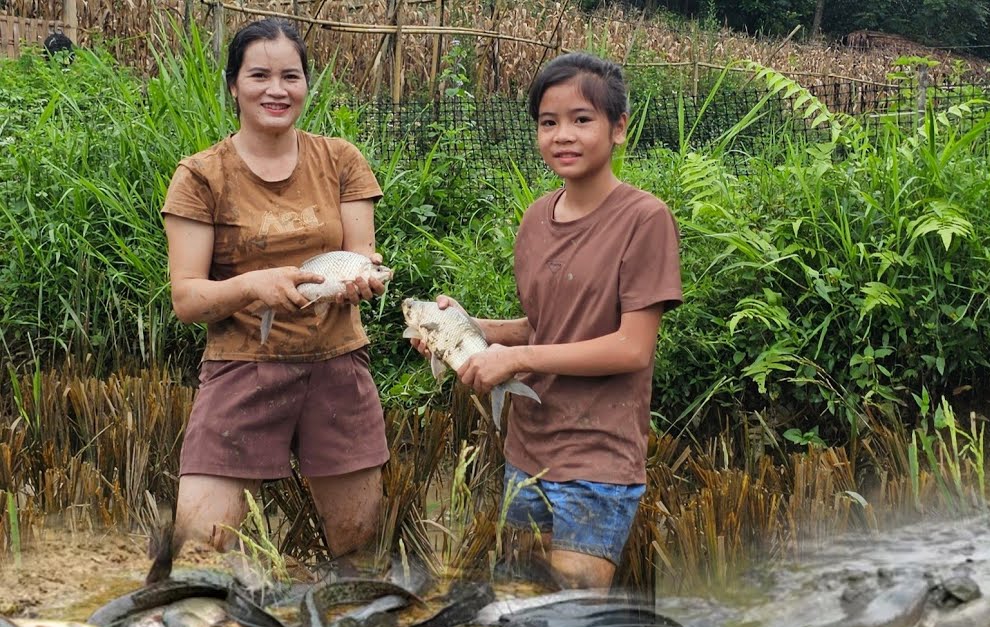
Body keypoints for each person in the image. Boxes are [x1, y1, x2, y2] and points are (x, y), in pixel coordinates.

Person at [410, 52, 683, 590]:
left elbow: (632, 347)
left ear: (618, 128)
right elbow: (547, 326)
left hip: (599, 459)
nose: (563, 135)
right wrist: (470, 329)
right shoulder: (536, 218)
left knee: (569, 617)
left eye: (581, 119)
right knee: (521, 605)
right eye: (548, 122)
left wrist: (516, 359)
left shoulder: (645, 219)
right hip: (528, 450)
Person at [149, 19, 389, 583]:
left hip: (336, 366)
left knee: (359, 553)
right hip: (242, 367)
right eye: (259, 75)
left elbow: (364, 256)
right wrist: (254, 286)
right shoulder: (201, 176)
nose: (276, 90)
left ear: (307, 84)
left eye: (291, 76)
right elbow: (187, 297)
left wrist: (366, 279)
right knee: (201, 553)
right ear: (234, 84)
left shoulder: (341, 160)